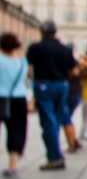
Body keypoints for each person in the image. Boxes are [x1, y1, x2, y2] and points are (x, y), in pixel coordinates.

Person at [26, 20, 77, 170]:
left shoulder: (35, 48)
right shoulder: (65, 49)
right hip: (62, 85)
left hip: (44, 85)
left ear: (41, 32)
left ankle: (54, 157)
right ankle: (65, 148)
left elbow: (29, 70)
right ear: (55, 32)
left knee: (48, 121)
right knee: (61, 116)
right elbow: (74, 71)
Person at [1, 33, 28, 178]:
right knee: (16, 131)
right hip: (18, 99)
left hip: (1, 98)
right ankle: (13, 166)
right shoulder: (22, 62)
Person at [62, 48, 82, 154]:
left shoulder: (68, 65)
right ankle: (74, 141)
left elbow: (74, 73)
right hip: (77, 94)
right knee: (68, 118)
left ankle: (72, 145)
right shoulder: (75, 64)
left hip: (70, 94)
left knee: (66, 119)